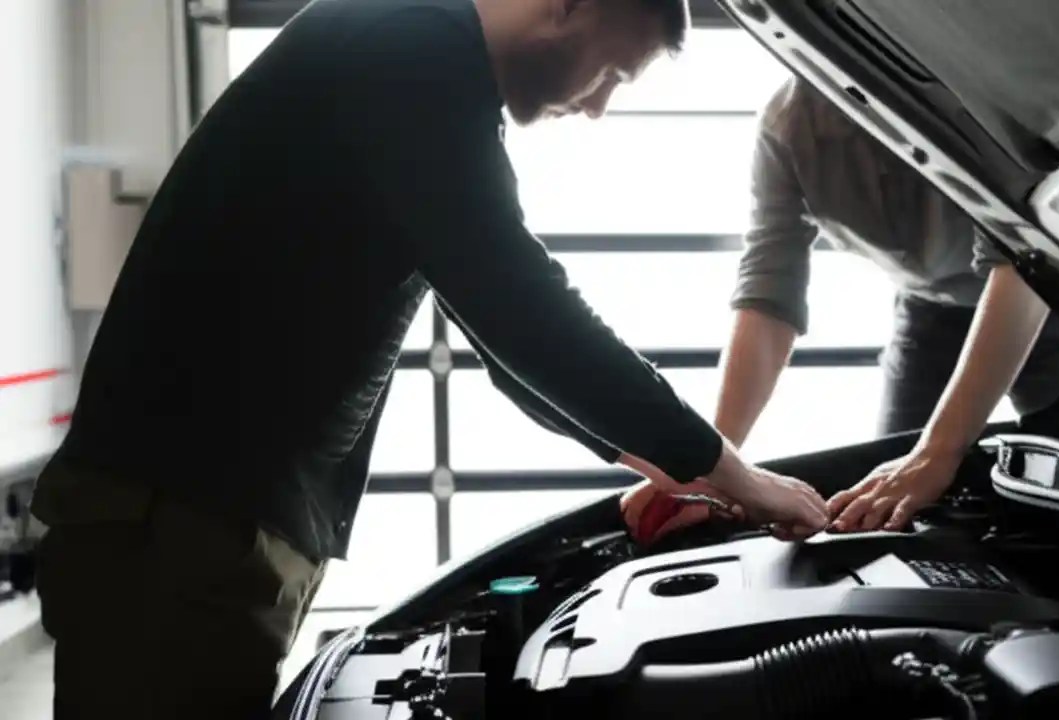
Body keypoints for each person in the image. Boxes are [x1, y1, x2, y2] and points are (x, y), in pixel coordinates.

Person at [28, 0, 827, 717]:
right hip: (177, 526)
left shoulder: (414, 56)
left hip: (204, 520)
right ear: (566, 7)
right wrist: (730, 471)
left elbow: (510, 348)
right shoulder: (409, 44)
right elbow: (522, 308)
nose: (597, 107)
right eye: (612, 72)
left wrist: (672, 472)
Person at [622, 76, 1059, 541]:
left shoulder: (966, 104)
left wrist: (939, 452)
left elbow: (1018, 262)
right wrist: (710, 464)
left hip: (1048, 302)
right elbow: (769, 293)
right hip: (927, 308)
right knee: (887, 498)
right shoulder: (788, 126)